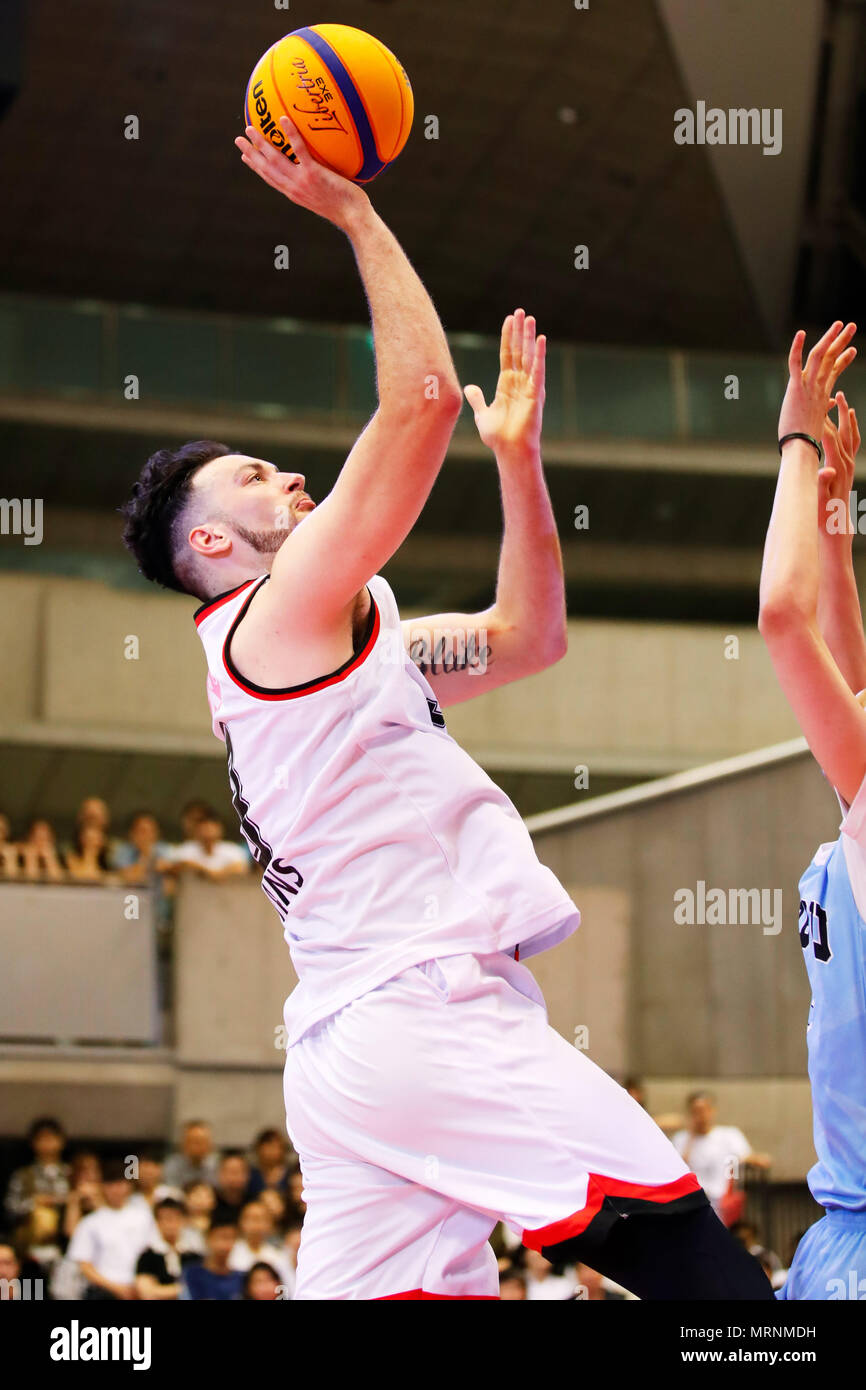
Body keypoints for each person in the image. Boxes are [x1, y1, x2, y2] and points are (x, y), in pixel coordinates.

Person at [118, 112, 772, 1303]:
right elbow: (418, 400)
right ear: (213, 542)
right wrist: (355, 212)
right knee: (696, 1265)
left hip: (354, 1042)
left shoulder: (330, 650)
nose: (293, 478)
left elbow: (527, 638)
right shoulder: (273, 623)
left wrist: (516, 467)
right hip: (420, 1008)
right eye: (258, 480)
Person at [759, 319, 866, 1299]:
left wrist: (792, 453)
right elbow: (843, 661)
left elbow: (780, 622)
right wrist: (834, 523)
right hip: (839, 1234)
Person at [671, 1092, 770, 1224]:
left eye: (704, 1110)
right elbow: (676, 1169)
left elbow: (749, 1158)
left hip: (721, 1204)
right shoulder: (681, 1139)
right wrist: (691, 1135)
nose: (701, 1116)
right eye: (695, 1111)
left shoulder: (729, 1135)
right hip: (691, 1204)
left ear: (712, 1111)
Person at [67, 1157, 155, 1300]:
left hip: (140, 1288)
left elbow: (152, 1253)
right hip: (103, 1289)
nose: (116, 1190)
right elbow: (84, 1264)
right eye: (111, 1185)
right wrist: (116, 1288)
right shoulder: (90, 1222)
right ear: (102, 1187)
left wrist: (143, 1285)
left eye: (120, 1184)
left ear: (129, 1185)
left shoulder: (144, 1216)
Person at [4, 1117, 70, 1238]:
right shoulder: (23, 1175)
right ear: (33, 1143)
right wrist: (34, 1203)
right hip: (31, 1238)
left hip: (65, 1237)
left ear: (61, 1141)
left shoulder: (71, 1173)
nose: (47, 1143)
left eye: (51, 1138)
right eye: (42, 1139)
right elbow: (10, 1209)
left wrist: (65, 1200)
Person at [134, 1198, 199, 1301]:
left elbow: (203, 1288)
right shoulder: (148, 1256)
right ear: (157, 1222)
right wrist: (185, 1289)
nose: (171, 1224)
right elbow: (146, 1293)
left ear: (183, 1220)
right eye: (166, 1219)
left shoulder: (194, 1256)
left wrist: (161, 1290)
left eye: (175, 1218)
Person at [166, 812, 248, 882]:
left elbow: (242, 867)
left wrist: (217, 874)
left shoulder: (232, 849)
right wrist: (202, 869)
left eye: (211, 828)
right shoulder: (187, 849)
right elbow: (169, 865)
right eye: (204, 828)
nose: (208, 832)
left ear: (219, 829)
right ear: (197, 830)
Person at [179, 1217, 243, 1301]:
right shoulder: (192, 1274)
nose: (226, 1244)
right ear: (208, 1239)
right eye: (222, 1237)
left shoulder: (240, 1277)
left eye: (231, 1238)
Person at [162, 1121, 219, 1190]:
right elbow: (171, 1191)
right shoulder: (172, 1165)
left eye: (202, 1141)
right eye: (194, 1142)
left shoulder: (217, 1166)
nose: (199, 1146)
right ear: (184, 1144)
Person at [211, 1151, 252, 1226]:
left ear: (247, 1175)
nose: (234, 1176)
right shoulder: (210, 1201)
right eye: (230, 1171)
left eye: (238, 1171)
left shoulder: (253, 1202)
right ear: (219, 1174)